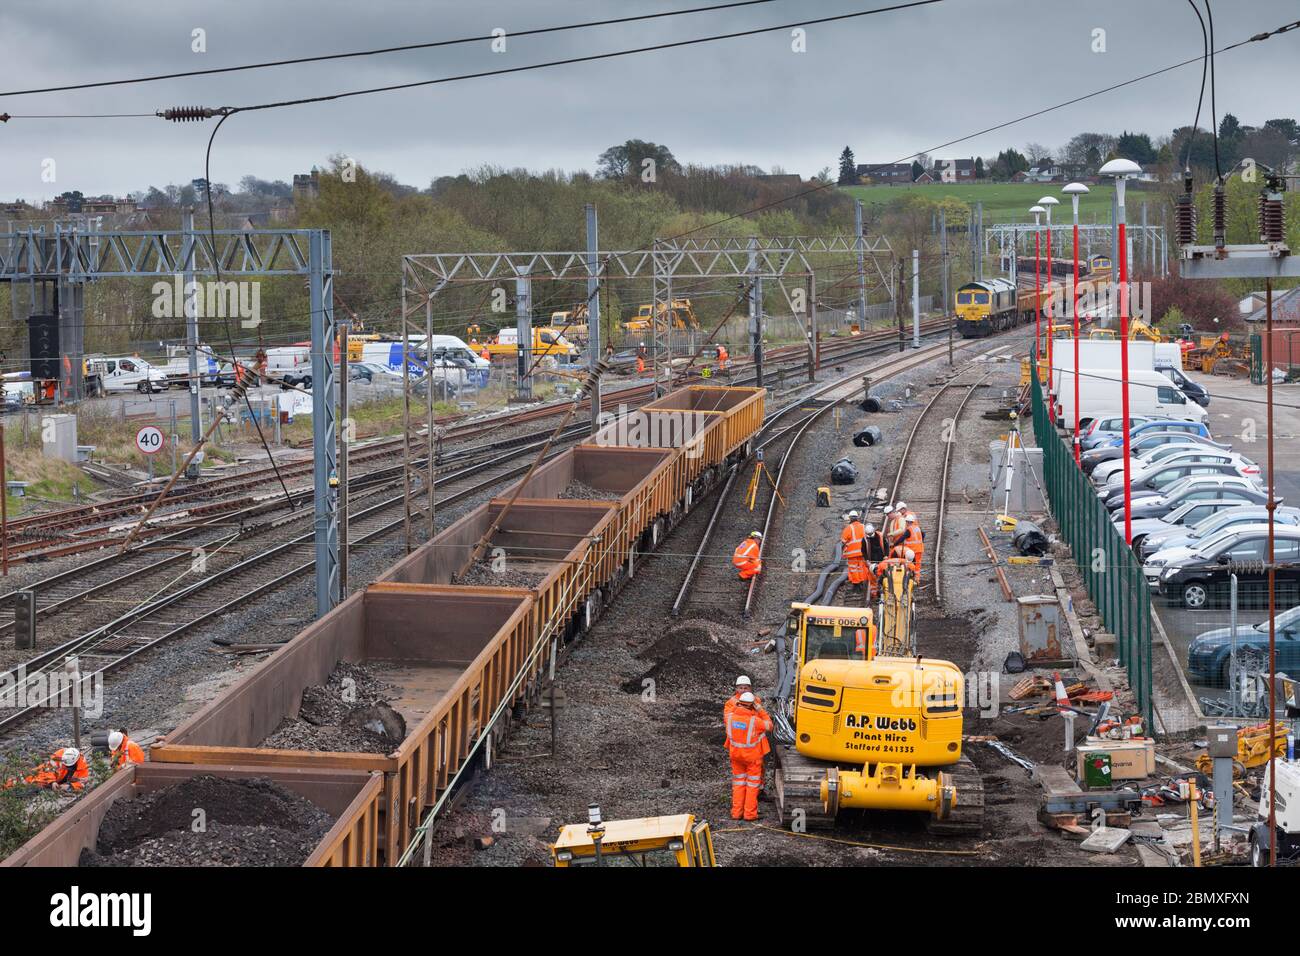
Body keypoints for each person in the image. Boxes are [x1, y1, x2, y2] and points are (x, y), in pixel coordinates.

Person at [726, 692, 772, 821]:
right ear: (752, 706)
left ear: (739, 703)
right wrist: (761, 710)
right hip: (752, 758)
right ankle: (750, 814)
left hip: (736, 756)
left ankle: (736, 813)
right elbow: (769, 725)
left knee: (738, 784)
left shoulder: (729, 717)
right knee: (752, 786)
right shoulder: (755, 721)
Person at [3, 746, 89, 792]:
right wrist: (52, 782)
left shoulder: (82, 765)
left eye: (69, 766)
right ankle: (4, 787)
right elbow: (48, 770)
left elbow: (82, 782)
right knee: (25, 778)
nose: (66, 767)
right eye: (65, 765)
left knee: (32, 784)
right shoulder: (59, 756)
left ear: (76, 762)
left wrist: (69, 786)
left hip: (58, 779)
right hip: (45, 774)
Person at [840, 510, 873, 597]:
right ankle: (862, 583)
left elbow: (843, 541)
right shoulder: (863, 526)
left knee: (854, 569)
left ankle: (856, 586)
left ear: (850, 518)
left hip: (852, 554)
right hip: (863, 553)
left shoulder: (848, 528)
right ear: (857, 518)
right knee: (862, 568)